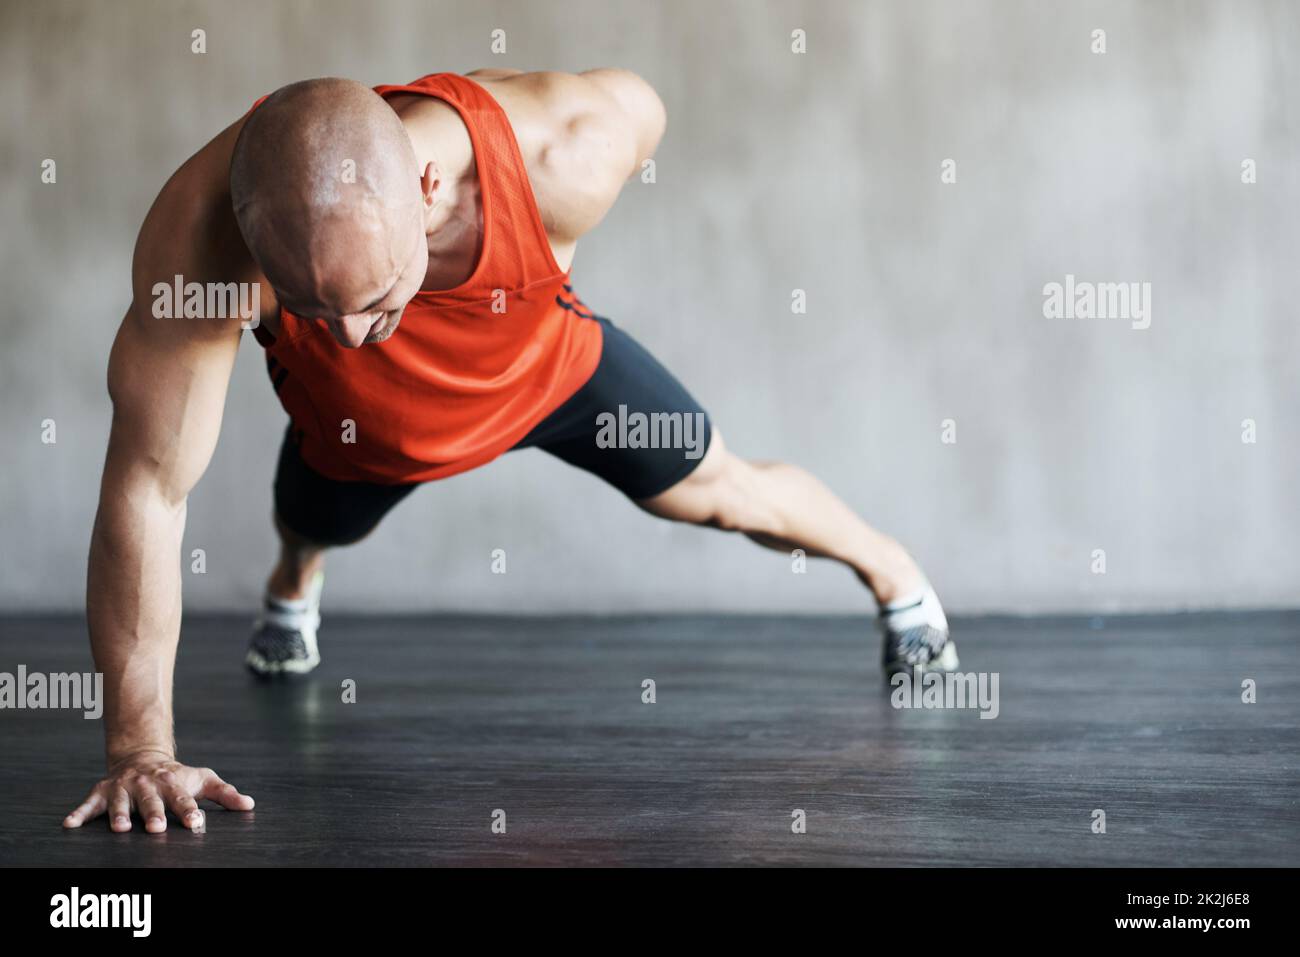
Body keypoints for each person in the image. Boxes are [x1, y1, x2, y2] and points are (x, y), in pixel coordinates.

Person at [63, 69, 956, 835]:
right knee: (307, 522)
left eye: (375, 297)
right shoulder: (198, 243)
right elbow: (149, 489)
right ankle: (293, 590)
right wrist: (142, 749)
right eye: (311, 309)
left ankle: (897, 575)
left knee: (722, 489)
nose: (349, 332)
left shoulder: (560, 150)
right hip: (360, 429)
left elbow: (642, 105)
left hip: (547, 372)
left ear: (423, 187)